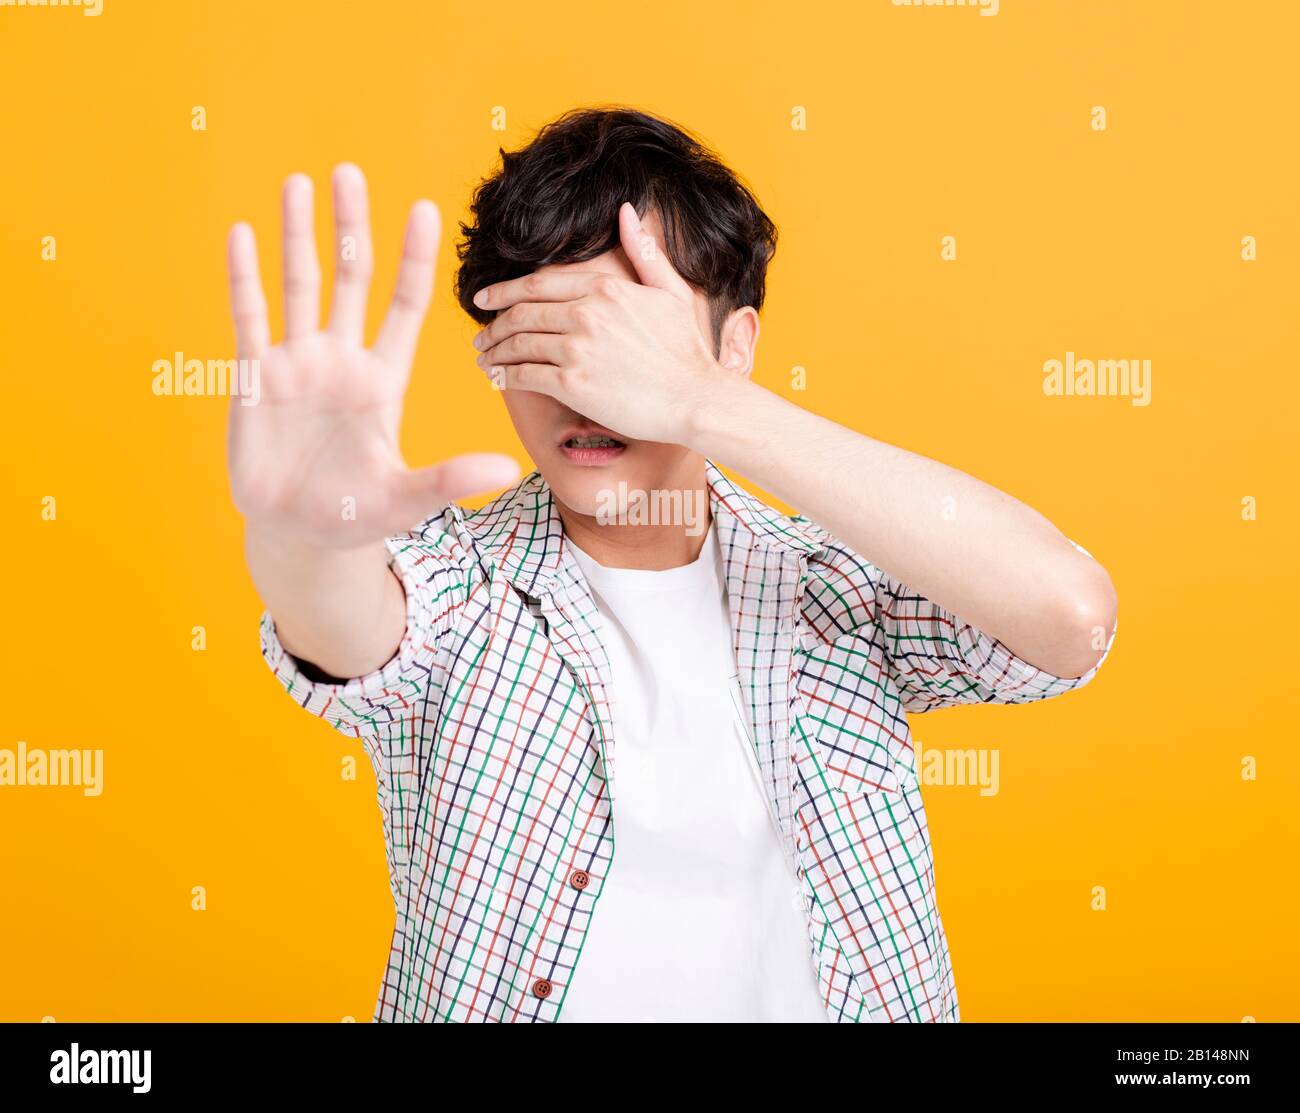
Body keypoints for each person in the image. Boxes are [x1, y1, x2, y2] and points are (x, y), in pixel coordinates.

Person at [225, 107, 1117, 1023]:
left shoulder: (836, 590)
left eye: (620, 340)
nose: (582, 385)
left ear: (736, 344)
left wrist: (702, 399)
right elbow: (344, 623)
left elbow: (1069, 613)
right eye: (549, 339)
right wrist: (308, 527)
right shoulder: (460, 589)